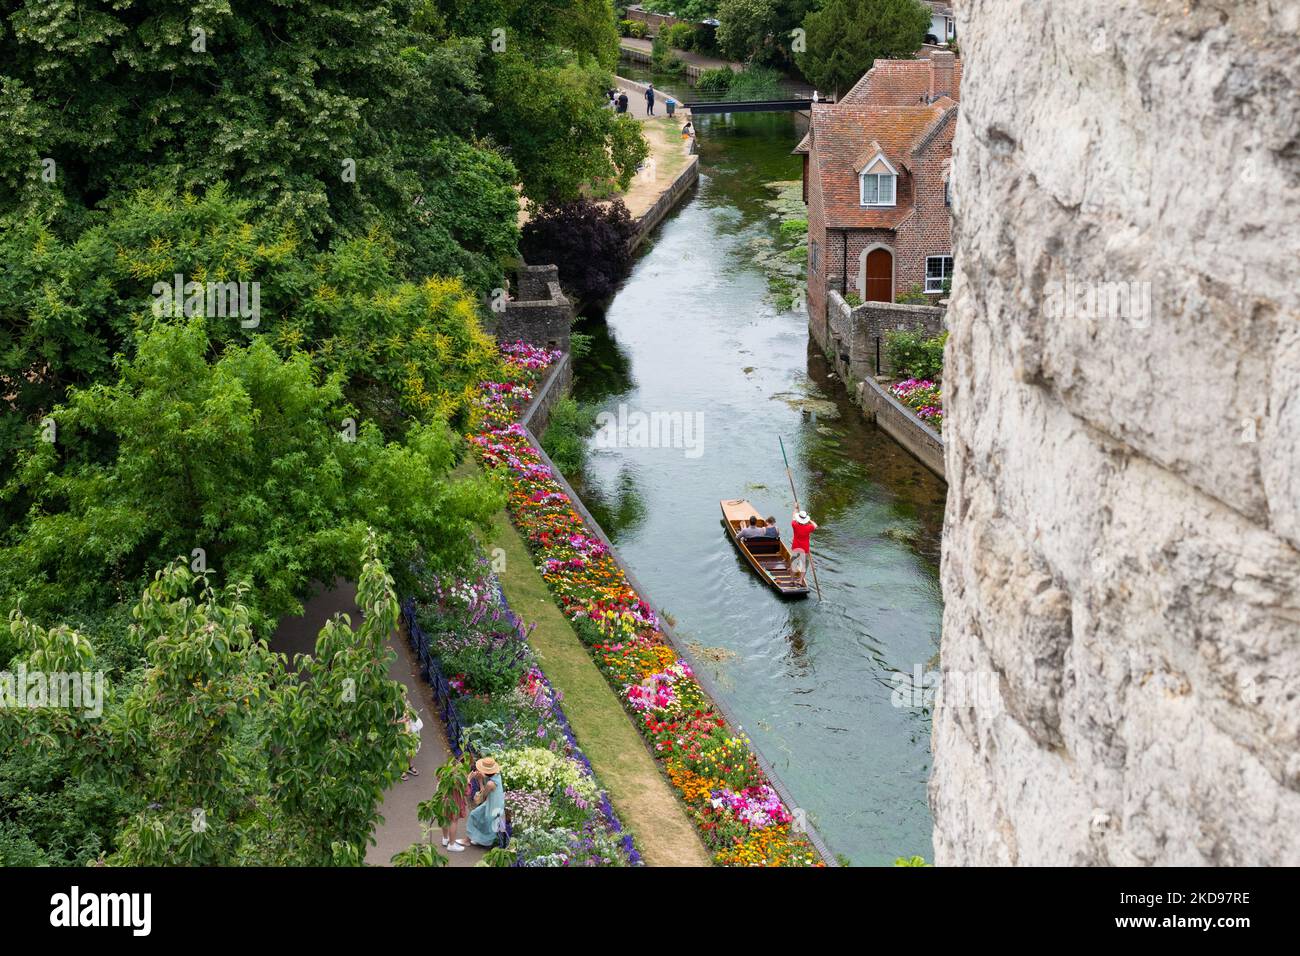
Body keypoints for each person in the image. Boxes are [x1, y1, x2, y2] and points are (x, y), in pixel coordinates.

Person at [465, 756, 506, 847]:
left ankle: (472, 840)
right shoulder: (497, 775)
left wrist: (479, 781)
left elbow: (483, 797)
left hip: (493, 807)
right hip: (497, 803)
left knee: (476, 815)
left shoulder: (490, 784)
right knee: (475, 814)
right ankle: (473, 839)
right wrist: (482, 776)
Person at [790, 509, 818, 586]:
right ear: (805, 519)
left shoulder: (794, 525)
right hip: (805, 549)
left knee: (794, 565)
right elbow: (815, 525)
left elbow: (793, 517)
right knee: (804, 566)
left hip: (795, 547)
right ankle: (800, 581)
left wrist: (795, 509)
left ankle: (792, 581)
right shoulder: (809, 527)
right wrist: (810, 520)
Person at [398, 707, 423, 780]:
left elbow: (410, 712)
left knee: (411, 750)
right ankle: (401, 769)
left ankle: (409, 765)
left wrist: (410, 716)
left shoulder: (405, 703)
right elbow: (389, 721)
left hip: (410, 731)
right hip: (399, 730)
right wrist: (401, 721)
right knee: (401, 751)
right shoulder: (392, 705)